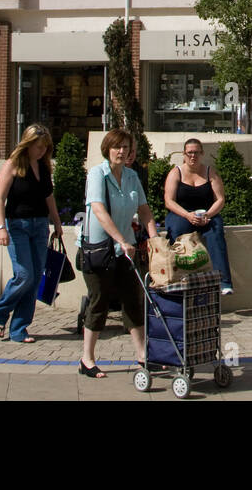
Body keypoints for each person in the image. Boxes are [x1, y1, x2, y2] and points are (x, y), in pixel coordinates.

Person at [79, 128, 158, 378]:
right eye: (117, 147)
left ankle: (143, 355)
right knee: (99, 301)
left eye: (126, 147)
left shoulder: (132, 176)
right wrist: (120, 239)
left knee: (133, 300)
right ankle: (87, 359)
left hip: (126, 248)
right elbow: (100, 211)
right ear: (107, 149)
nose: (122, 152)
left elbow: (144, 210)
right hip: (100, 248)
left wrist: (155, 239)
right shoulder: (97, 174)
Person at [0, 124, 61, 344]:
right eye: (38, 147)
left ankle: (19, 329)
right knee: (24, 275)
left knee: (36, 277)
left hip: (39, 226)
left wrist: (56, 222)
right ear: (27, 144)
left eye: (45, 148)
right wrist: (1, 228)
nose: (42, 151)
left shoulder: (44, 167)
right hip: (16, 225)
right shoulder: (12, 165)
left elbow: (49, 197)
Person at [164, 138, 234, 294]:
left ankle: (224, 282)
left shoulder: (210, 172)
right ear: (184, 154)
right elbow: (169, 201)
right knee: (177, 230)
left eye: (196, 152)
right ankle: (180, 277)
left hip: (206, 214)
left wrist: (208, 214)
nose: (193, 156)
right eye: (189, 153)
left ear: (202, 153)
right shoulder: (176, 173)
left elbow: (220, 199)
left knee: (216, 232)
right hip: (181, 213)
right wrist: (187, 216)